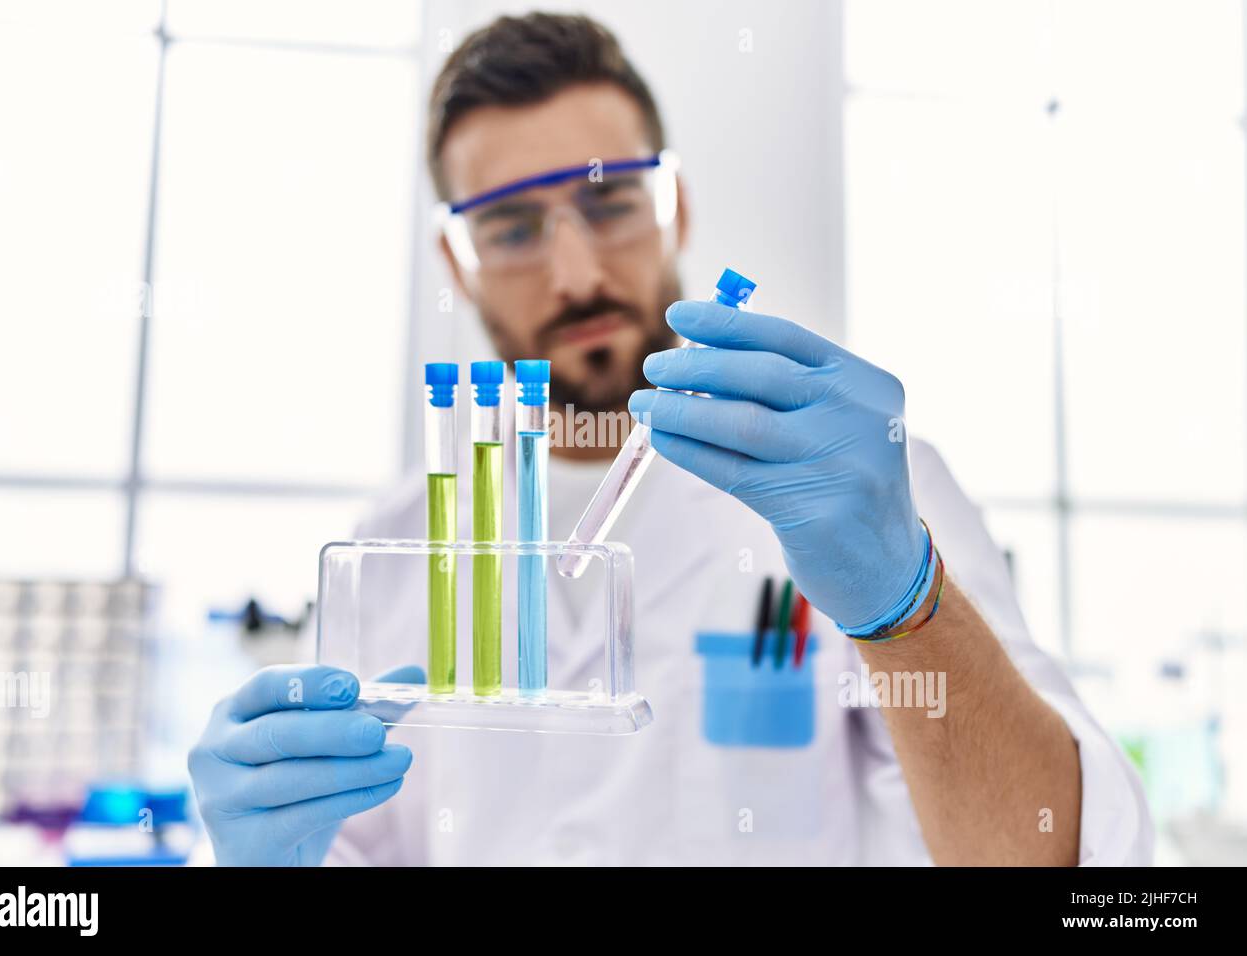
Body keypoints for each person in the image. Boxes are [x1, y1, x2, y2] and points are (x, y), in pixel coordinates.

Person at [188, 12, 1151, 866]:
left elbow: (1054, 858)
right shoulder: (404, 544)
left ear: (675, 204)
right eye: (514, 228)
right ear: (458, 259)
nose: (574, 274)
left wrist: (908, 612)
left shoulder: (865, 489)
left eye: (608, 203)